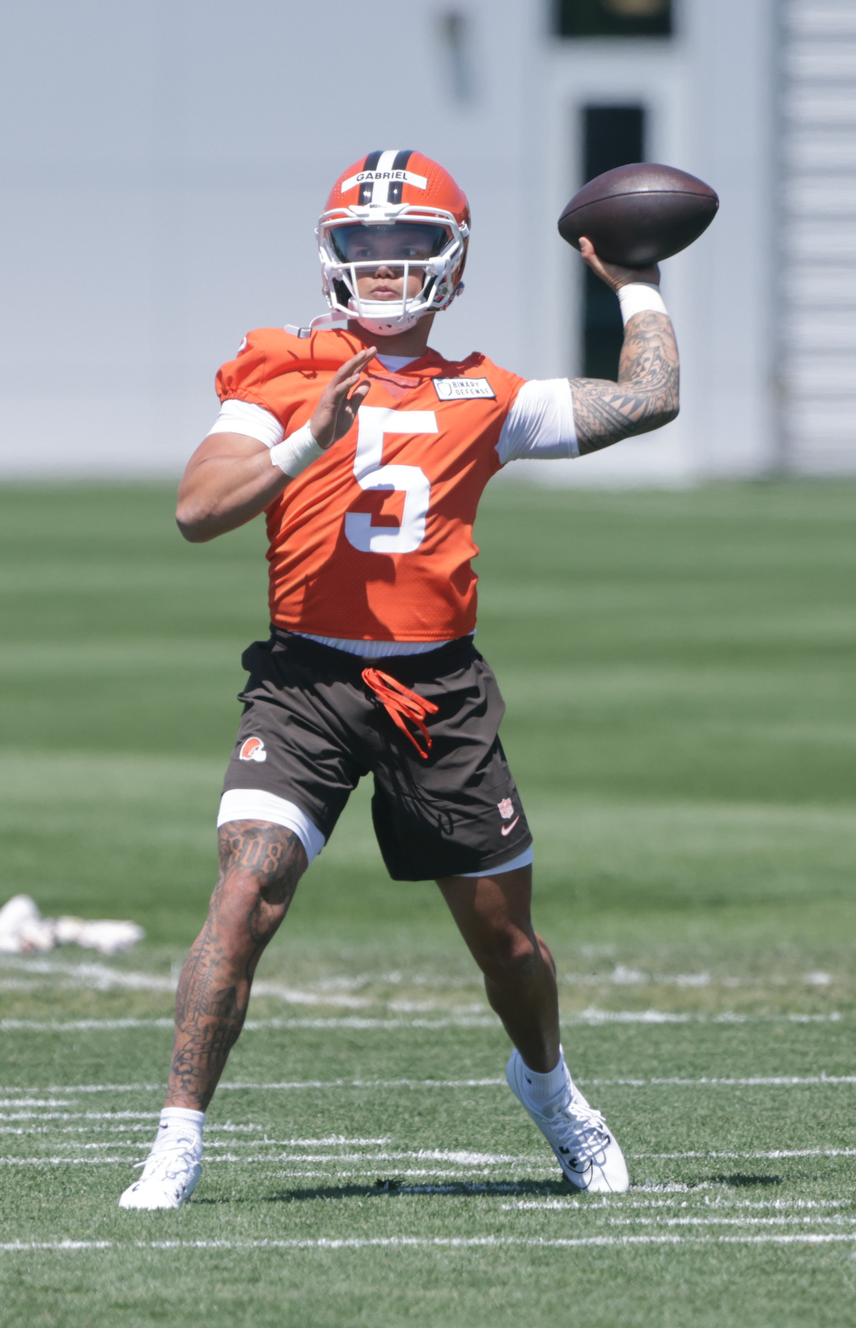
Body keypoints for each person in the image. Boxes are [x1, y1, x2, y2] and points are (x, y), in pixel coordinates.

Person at [118, 151, 681, 1209]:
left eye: (407, 244)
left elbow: (651, 399)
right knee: (244, 892)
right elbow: (196, 512)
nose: (382, 267)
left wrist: (636, 279)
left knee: (506, 945)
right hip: (304, 684)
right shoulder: (276, 368)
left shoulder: (485, 393)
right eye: (363, 247)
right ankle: (175, 1141)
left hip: (439, 693)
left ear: (450, 263)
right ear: (330, 257)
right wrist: (301, 447)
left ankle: (549, 1088)